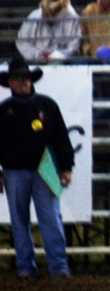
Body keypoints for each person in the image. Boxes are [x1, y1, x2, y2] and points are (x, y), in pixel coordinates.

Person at [0, 52, 75, 278]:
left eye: (25, 78)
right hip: (15, 171)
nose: (22, 82)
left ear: (30, 80)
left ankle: (57, 267)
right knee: (21, 221)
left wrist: (66, 167)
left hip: (44, 169)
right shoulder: (3, 110)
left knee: (49, 218)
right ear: (10, 82)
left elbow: (61, 138)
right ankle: (27, 266)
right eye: (17, 78)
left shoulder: (47, 105)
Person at [16, 0, 81, 63]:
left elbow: (74, 46)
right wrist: (38, 55)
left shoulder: (73, 19)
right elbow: (22, 42)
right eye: (47, 13)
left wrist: (58, 56)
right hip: (36, 64)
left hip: (64, 64)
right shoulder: (34, 16)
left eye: (54, 12)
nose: (50, 15)